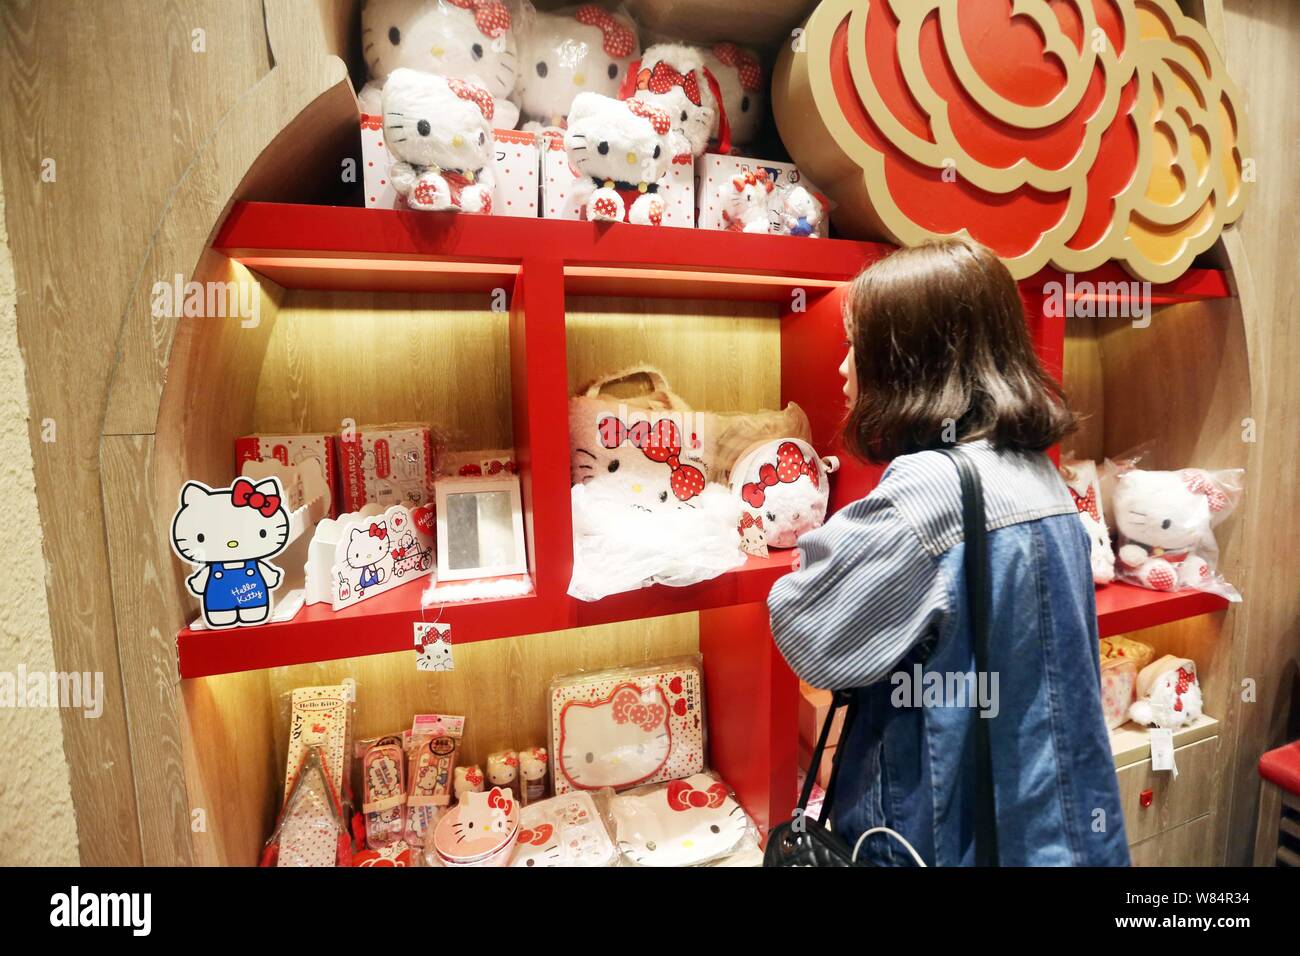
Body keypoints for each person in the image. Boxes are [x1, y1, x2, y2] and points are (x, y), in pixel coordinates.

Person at [768, 237, 1129, 866]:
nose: (844, 368)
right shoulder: (1037, 475)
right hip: (1043, 826)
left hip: (933, 830)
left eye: (859, 345)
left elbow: (808, 633)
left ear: (915, 361)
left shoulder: (930, 489)